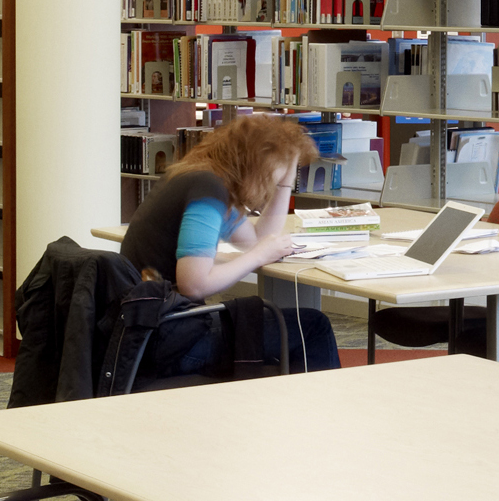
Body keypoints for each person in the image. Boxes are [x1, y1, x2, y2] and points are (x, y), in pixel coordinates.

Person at [122, 113, 338, 375]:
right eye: (275, 170)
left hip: (147, 330)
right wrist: (258, 256)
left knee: (297, 327)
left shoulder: (197, 178)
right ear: (257, 162)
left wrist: (285, 182)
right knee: (314, 327)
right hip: (171, 340)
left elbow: (257, 239)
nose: (271, 182)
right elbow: (194, 284)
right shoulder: (208, 192)